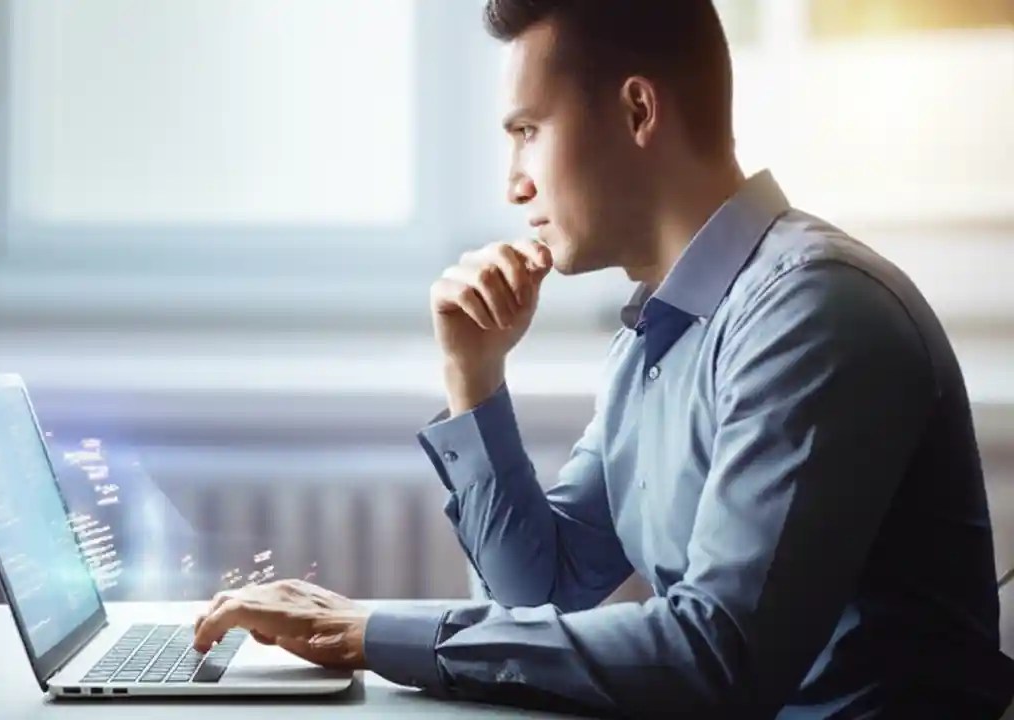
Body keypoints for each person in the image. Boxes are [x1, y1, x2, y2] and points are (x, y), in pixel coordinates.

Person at [193, 1, 1014, 716]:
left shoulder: (812, 311)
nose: (513, 182)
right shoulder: (657, 334)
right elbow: (540, 592)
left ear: (636, 111)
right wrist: (475, 380)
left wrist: (375, 632)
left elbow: (720, 659)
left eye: (527, 132)